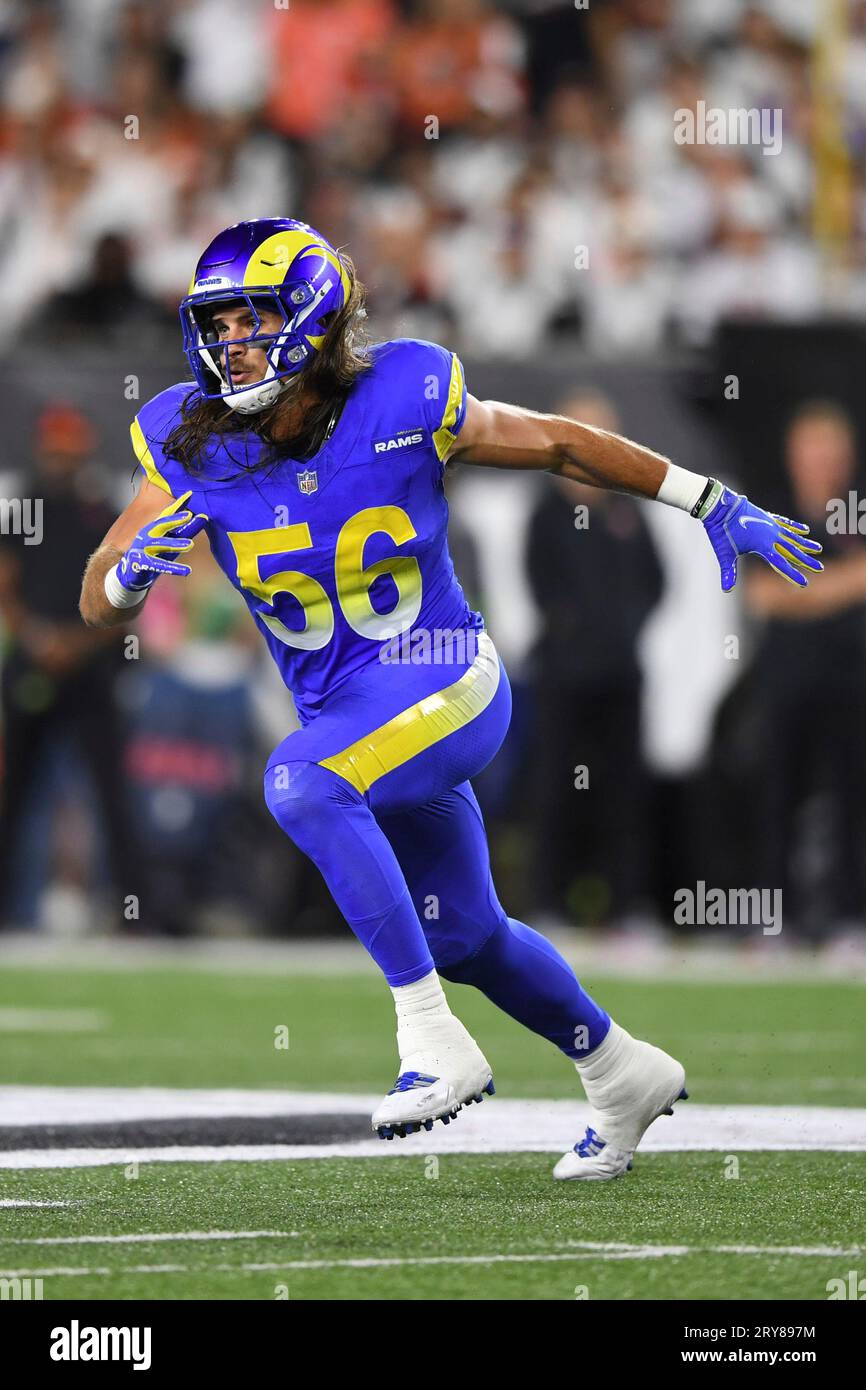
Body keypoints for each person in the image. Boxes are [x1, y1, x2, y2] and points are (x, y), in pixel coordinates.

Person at [78, 217, 822, 1180]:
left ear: (308, 318)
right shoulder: (194, 438)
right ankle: (620, 1069)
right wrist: (129, 578)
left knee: (302, 786)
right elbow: (97, 593)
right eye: (216, 327)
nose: (231, 345)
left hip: (447, 679)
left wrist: (706, 497)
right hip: (356, 722)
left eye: (252, 321)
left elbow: (557, 445)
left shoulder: (403, 392)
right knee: (470, 935)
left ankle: (431, 1037)